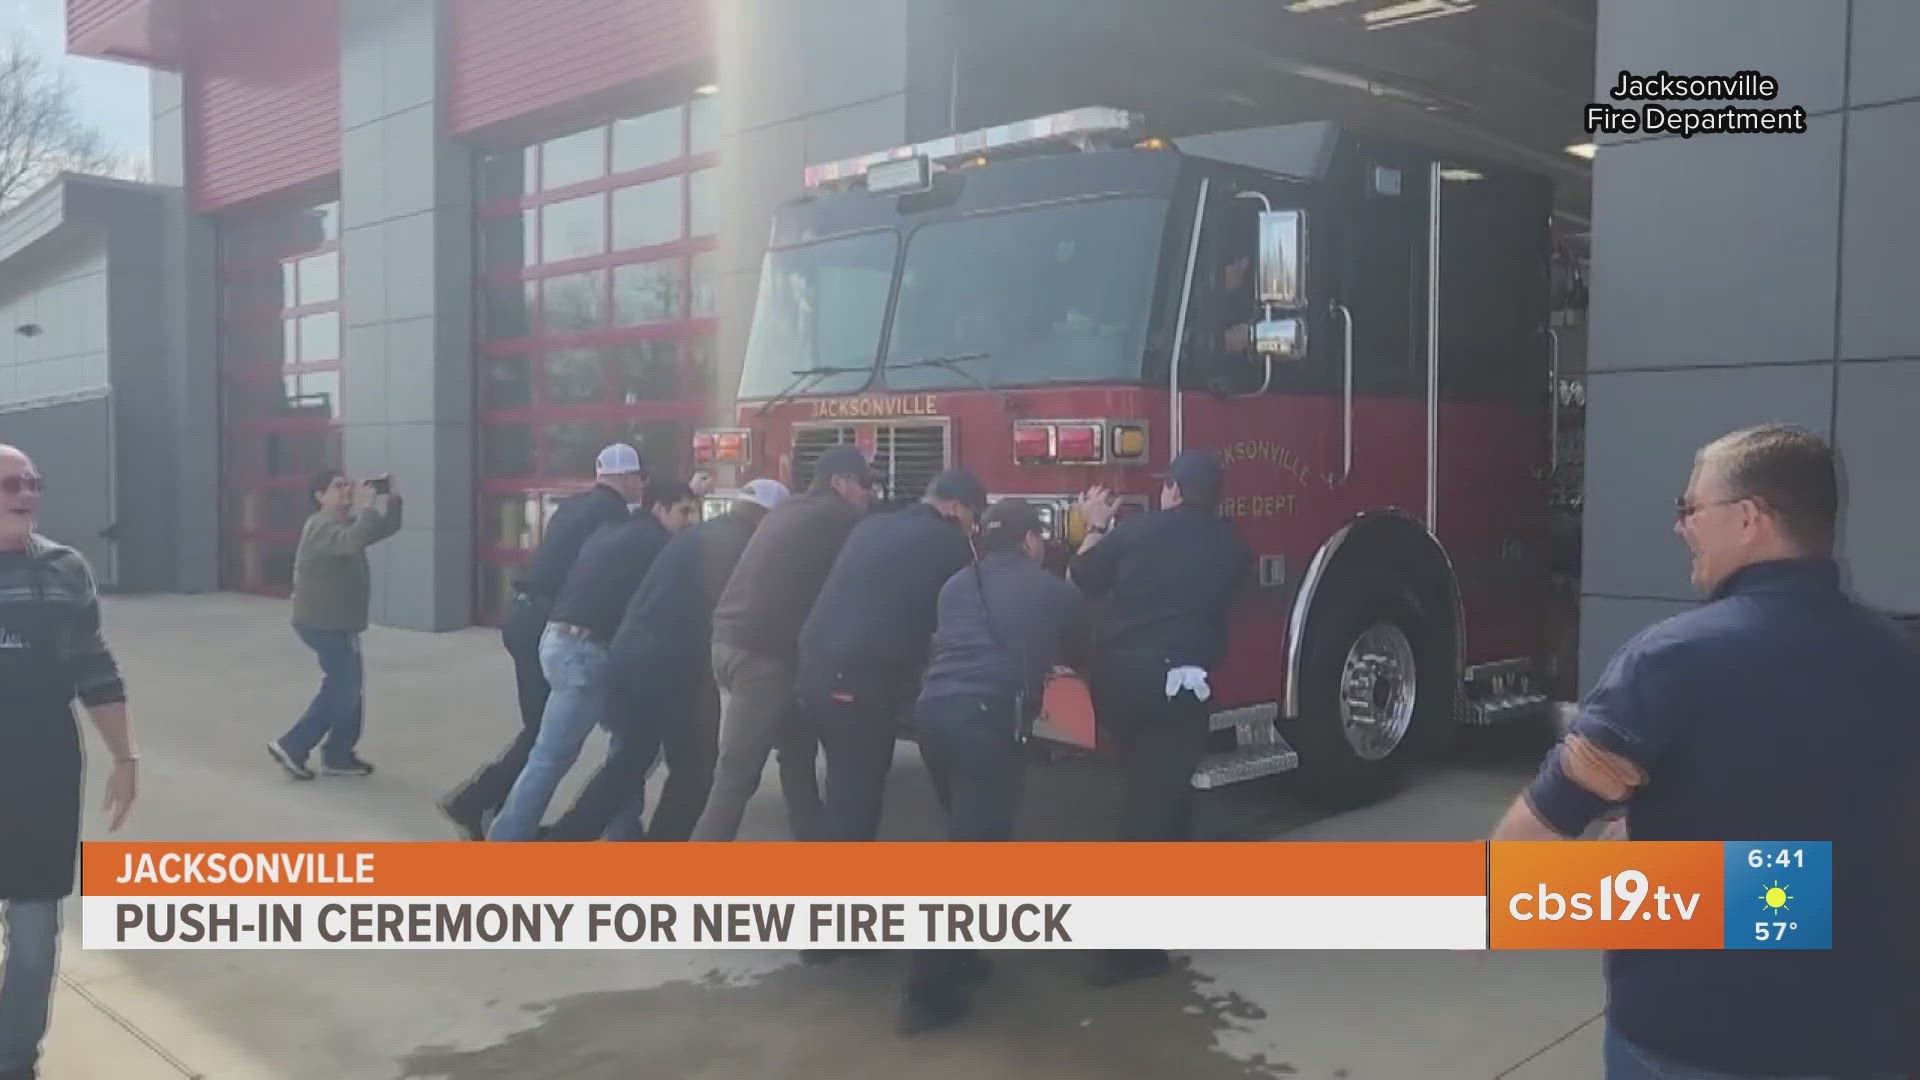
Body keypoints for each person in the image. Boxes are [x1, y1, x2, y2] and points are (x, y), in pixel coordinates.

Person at [1491, 424, 1916, 1080]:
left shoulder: (1671, 660)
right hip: (1873, 1038)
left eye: (1689, 509)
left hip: (1696, 1043)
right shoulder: (1898, 658)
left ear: (1748, 519)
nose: (1680, 527)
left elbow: (1536, 837)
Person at [899, 499, 1093, 1034]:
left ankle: (963, 959)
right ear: (1031, 540)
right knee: (971, 857)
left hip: (933, 718)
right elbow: (1081, 645)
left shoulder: (956, 584)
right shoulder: (1049, 588)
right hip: (985, 723)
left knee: (968, 840)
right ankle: (927, 995)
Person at [1068, 447, 1252, 987]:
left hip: (1121, 681)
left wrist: (1096, 526)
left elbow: (1082, 577)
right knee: (1152, 809)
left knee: (1162, 799)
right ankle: (1124, 951)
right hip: (1180, 688)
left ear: (1170, 490)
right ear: (1217, 497)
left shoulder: (1135, 531)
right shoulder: (1233, 548)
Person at [545, 478, 791, 842]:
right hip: (675, 668)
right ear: (769, 518)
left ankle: (564, 841)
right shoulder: (742, 546)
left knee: (629, 766)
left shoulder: (702, 534)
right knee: (695, 769)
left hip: (634, 656)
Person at [0, 444, 138, 1080]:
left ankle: (14, 1061)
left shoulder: (64, 567)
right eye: (9, 483)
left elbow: (94, 665)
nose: (24, 492)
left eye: (32, 481)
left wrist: (123, 755)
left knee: (33, 937)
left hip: (43, 768)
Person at [440, 444, 647, 838]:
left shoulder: (573, 507)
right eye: (642, 477)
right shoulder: (614, 518)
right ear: (626, 478)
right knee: (557, 738)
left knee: (544, 732)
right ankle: (479, 806)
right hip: (551, 620)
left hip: (522, 613)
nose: (644, 485)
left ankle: (488, 808)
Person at [487, 479, 699, 841]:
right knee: (555, 756)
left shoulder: (614, 532)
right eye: (684, 511)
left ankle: (622, 831)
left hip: (560, 641)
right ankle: (507, 838)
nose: (691, 521)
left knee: (625, 747)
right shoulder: (657, 546)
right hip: (587, 654)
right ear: (659, 509)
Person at [692, 445, 876, 842]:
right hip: (761, 659)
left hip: (728, 644)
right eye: (866, 484)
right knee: (736, 776)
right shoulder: (837, 516)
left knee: (797, 746)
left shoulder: (790, 509)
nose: (870, 494)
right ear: (840, 482)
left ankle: (812, 840)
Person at [799, 469, 986, 844]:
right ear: (955, 507)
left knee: (845, 786)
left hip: (815, 667)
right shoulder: (947, 541)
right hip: (857, 681)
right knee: (855, 800)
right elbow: (965, 612)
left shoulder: (872, 526)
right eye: (973, 517)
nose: (973, 528)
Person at [267, 468, 402, 780]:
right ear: (320, 496)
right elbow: (353, 542)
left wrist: (392, 499)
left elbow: (384, 528)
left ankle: (339, 755)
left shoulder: (344, 523)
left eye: (347, 485)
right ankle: (294, 745)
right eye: (337, 487)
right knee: (344, 688)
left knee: (349, 688)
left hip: (338, 621)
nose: (346, 491)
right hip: (324, 623)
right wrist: (368, 508)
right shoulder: (320, 525)